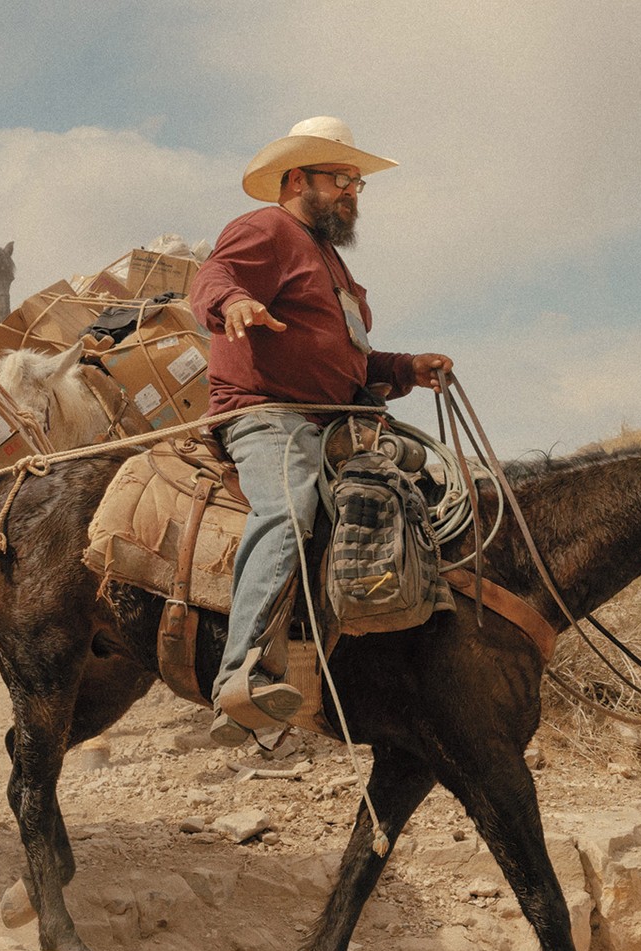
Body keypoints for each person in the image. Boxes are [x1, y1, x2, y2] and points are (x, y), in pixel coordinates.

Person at [190, 116, 454, 744]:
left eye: (359, 184)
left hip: (341, 420)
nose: (353, 193)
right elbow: (210, 279)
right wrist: (233, 304)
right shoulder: (268, 229)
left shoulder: (331, 262)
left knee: (429, 495)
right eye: (343, 180)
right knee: (287, 507)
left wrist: (404, 368)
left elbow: (350, 359)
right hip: (270, 413)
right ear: (299, 178)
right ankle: (242, 672)